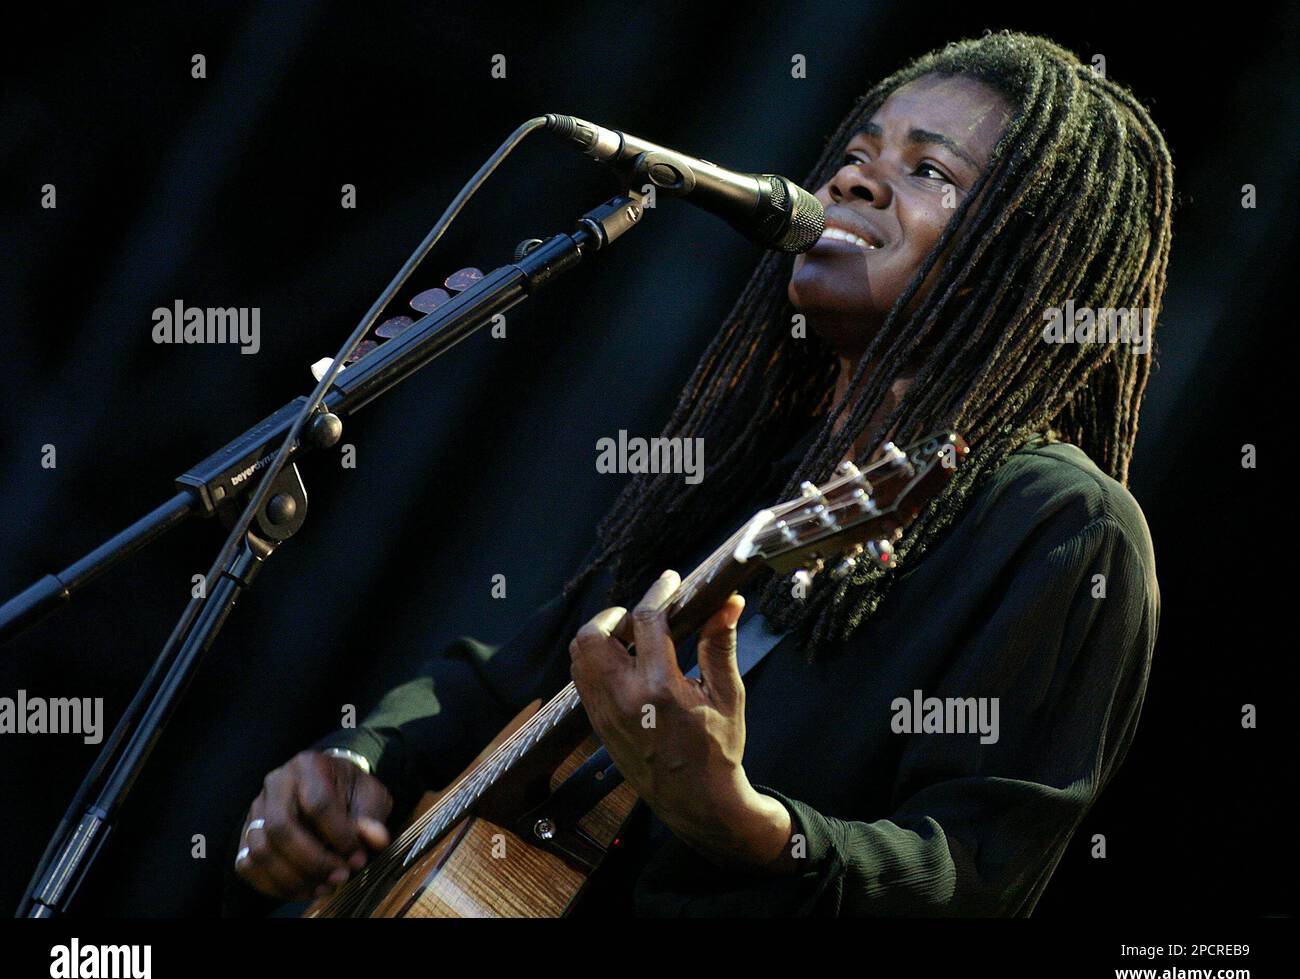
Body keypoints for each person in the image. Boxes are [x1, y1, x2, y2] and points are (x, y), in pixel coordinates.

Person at [225, 30, 1169, 916]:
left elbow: (972, 877)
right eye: (860, 153)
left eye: (927, 171)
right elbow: (495, 685)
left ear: (1029, 257)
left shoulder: (1063, 527)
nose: (857, 181)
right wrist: (359, 759)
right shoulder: (749, 465)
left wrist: (750, 825)